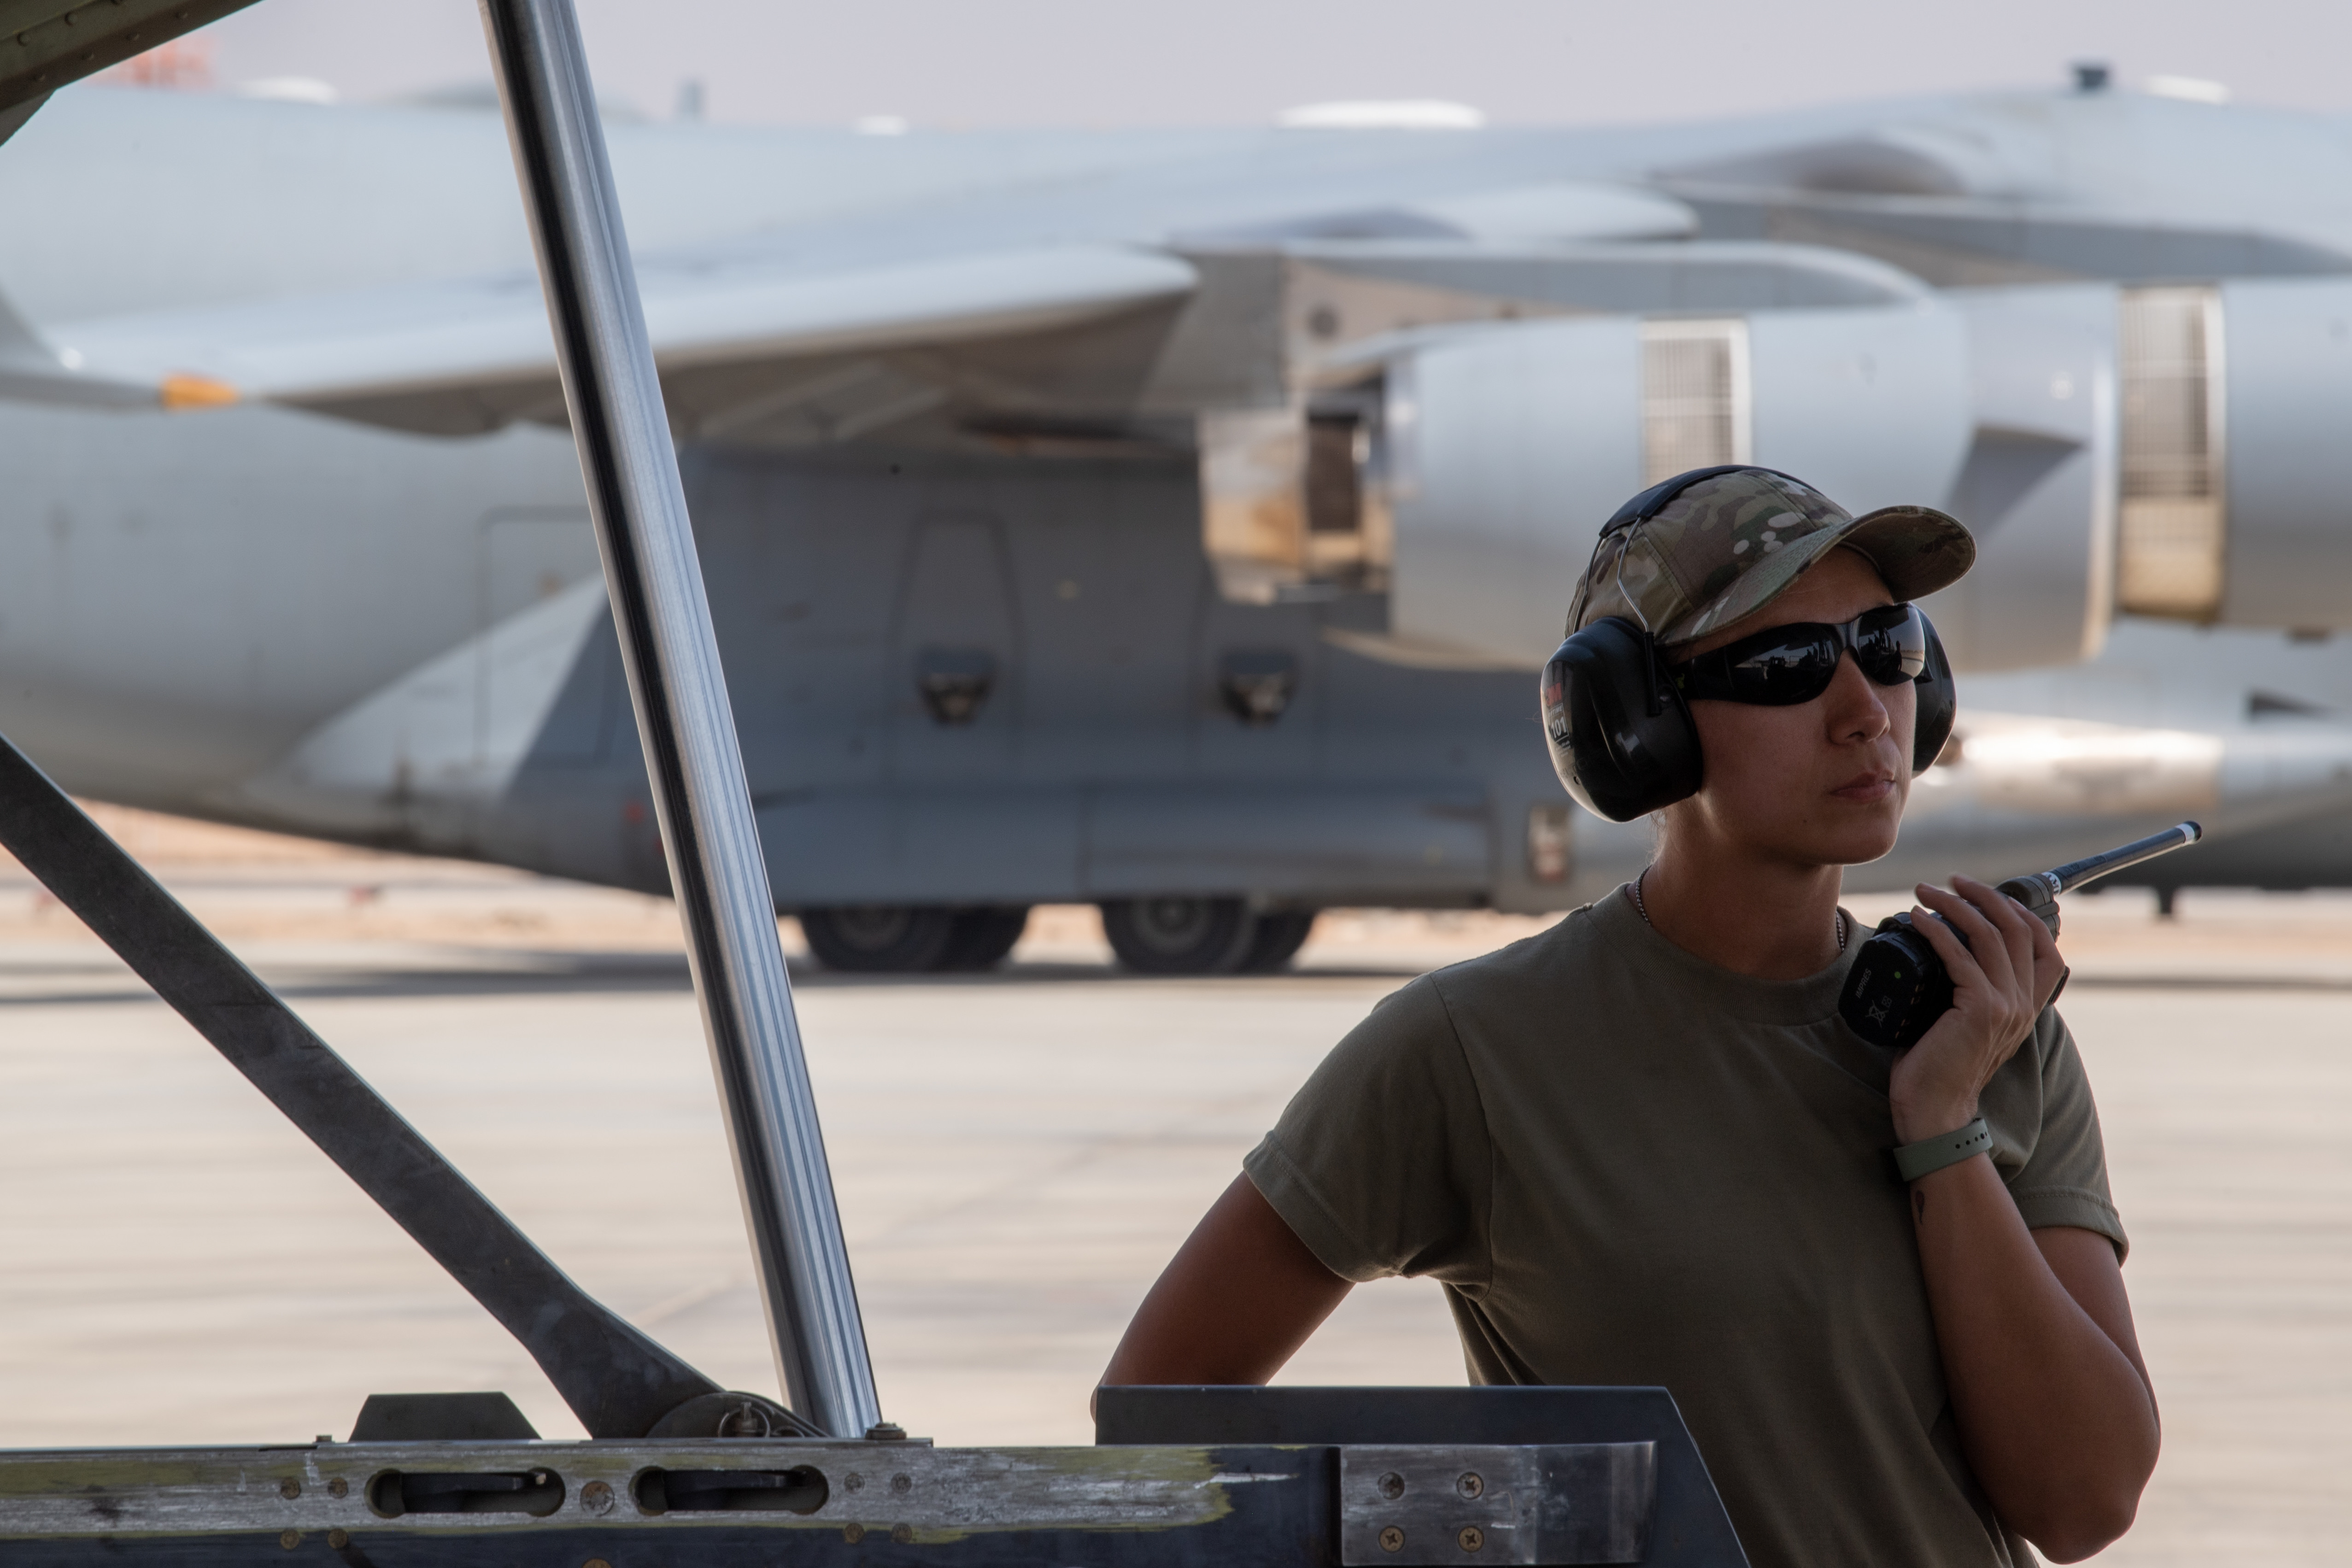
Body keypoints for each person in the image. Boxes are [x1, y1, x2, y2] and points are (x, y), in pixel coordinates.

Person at [1099, 469, 2158, 1568]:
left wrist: (1944, 1128)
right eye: (1787, 666)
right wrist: (1460, 1530)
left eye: (1888, 647)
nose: (1864, 713)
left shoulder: (1991, 1028)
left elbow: (2085, 1503)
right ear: (1636, 723)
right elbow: (1158, 1410)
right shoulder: (1475, 1050)